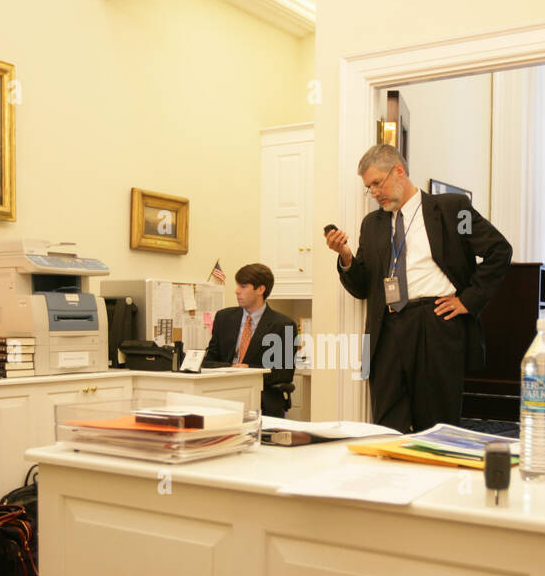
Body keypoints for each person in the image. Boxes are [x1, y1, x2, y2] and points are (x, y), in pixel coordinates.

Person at [326, 144, 512, 432]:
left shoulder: (452, 210)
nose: (374, 192)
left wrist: (467, 300)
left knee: (435, 424)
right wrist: (346, 257)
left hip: (435, 324)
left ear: (399, 171)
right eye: (369, 187)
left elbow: (499, 251)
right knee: (386, 424)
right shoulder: (372, 224)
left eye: (377, 183)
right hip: (385, 330)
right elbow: (363, 287)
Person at [204, 263, 297, 418]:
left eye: (244, 286)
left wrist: (249, 370)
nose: (237, 291)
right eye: (237, 285)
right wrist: (232, 369)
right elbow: (209, 361)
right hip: (223, 395)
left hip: (262, 399)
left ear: (260, 290)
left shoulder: (284, 325)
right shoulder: (223, 318)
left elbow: (284, 373)